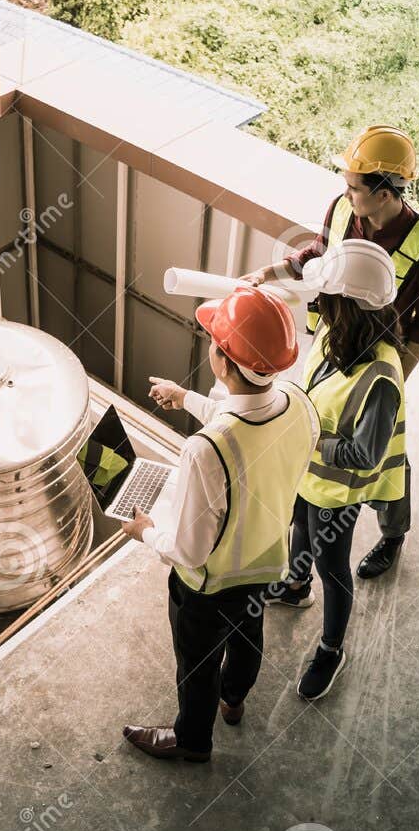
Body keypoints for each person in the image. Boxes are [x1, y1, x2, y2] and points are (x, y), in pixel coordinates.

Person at [119, 286, 320, 763]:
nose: (210, 344)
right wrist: (184, 397)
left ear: (224, 362)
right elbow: (249, 419)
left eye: (214, 340)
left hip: (207, 587)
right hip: (265, 563)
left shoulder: (205, 450)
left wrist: (146, 530)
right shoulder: (299, 402)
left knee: (197, 662)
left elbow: (189, 552)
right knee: (248, 636)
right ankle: (233, 700)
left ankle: (192, 741)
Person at [246, 125, 419, 580]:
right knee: (313, 429)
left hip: (377, 360)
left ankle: (393, 534)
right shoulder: (344, 209)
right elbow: (317, 254)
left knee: (388, 456)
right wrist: (267, 273)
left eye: (355, 187)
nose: (346, 193)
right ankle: (303, 525)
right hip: (331, 348)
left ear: (385, 193)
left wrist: (391, 382)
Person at [266, 241, 407, 701]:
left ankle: (331, 649)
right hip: (307, 474)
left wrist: (309, 439)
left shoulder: (381, 378)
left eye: (325, 296)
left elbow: (365, 454)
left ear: (347, 305)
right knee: (298, 529)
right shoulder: (336, 332)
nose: (318, 303)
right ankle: (295, 586)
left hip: (337, 493)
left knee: (332, 566)